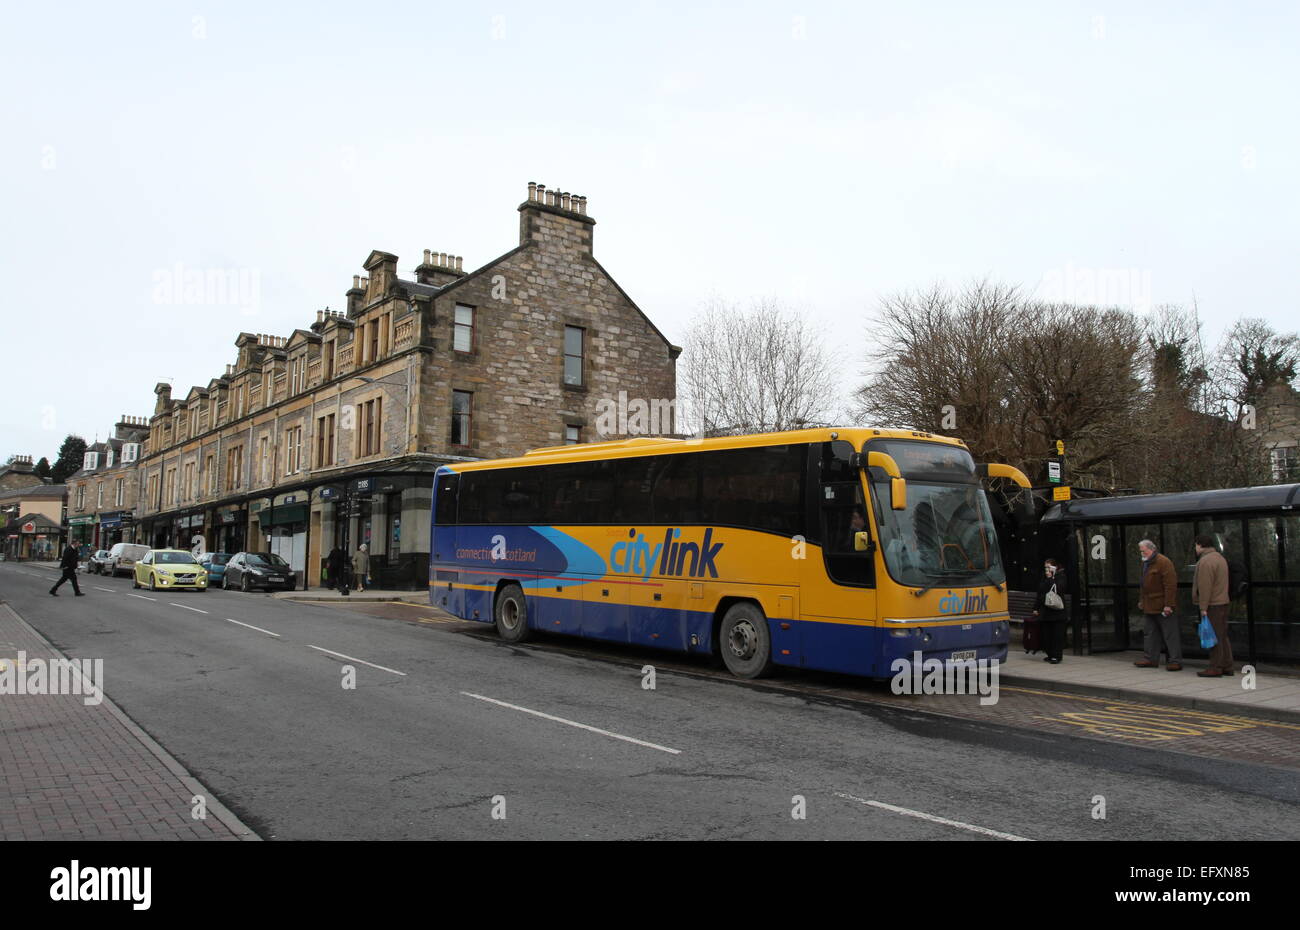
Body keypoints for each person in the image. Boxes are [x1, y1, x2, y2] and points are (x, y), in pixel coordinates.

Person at [1134, 539, 1182, 671]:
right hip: (1149, 605)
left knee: (1170, 634)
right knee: (1150, 633)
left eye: (1143, 550)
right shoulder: (1145, 563)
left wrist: (1169, 605)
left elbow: (1170, 585)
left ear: (1151, 549)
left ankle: (1175, 660)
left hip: (1162, 605)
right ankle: (1150, 658)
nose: (1141, 553)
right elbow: (1143, 585)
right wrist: (1141, 601)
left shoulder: (1164, 562)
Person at [1192, 534, 1233, 677]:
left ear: (1200, 545)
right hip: (1223, 602)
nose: (1195, 548)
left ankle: (1215, 667)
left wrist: (1203, 607)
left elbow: (1205, 587)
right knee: (1222, 635)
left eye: (1196, 545)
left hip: (1213, 604)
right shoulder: (1220, 558)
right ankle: (1227, 665)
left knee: (1213, 636)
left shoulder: (1205, 562)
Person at [1031, 557, 1067, 663]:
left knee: (1057, 635)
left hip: (1057, 612)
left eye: (1049, 567)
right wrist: (1035, 607)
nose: (1047, 569)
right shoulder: (1044, 577)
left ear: (1054, 567)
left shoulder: (1061, 576)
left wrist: (1051, 579)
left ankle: (1056, 656)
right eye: (1045, 567)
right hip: (1046, 611)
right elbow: (1040, 593)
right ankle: (1050, 654)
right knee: (1046, 635)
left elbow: (1059, 589)